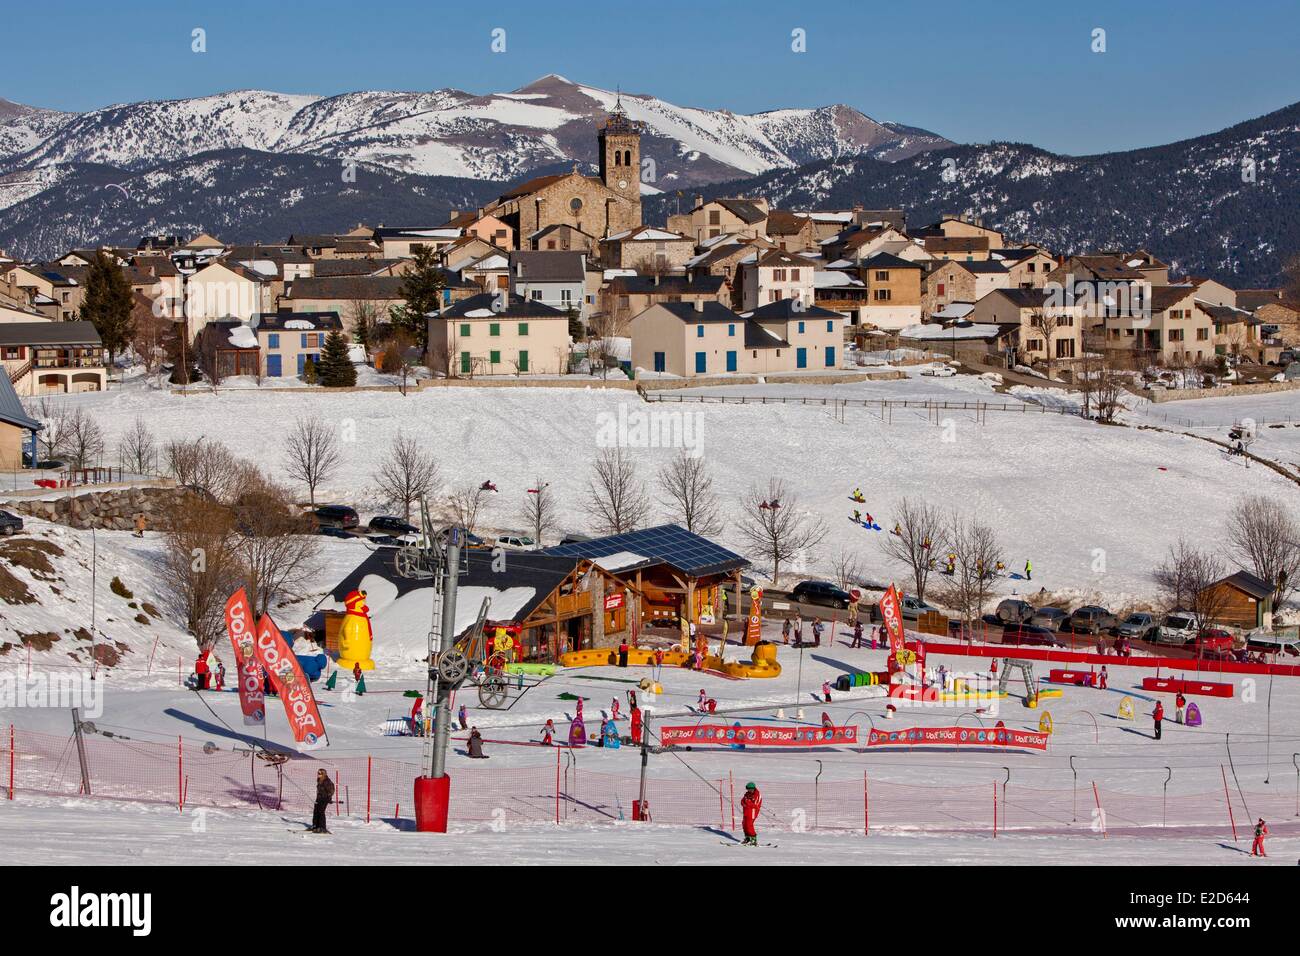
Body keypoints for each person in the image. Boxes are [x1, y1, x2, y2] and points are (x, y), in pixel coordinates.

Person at [310, 768, 334, 834]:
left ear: (323, 774)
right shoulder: (319, 780)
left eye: (319, 773)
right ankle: (315, 826)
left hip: (324, 798)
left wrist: (328, 798)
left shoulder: (327, 781)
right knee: (316, 811)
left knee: (321, 812)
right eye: (317, 773)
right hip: (319, 798)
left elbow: (331, 790)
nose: (318, 774)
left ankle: (322, 827)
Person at [740, 781, 762, 846]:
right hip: (746, 811)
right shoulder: (747, 794)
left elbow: (755, 805)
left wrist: (747, 802)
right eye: (748, 789)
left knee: (749, 825)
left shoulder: (757, 794)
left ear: (753, 788)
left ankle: (753, 839)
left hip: (752, 812)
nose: (749, 790)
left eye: (750, 789)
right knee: (744, 824)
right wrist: (745, 803)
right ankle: (747, 838)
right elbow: (742, 801)